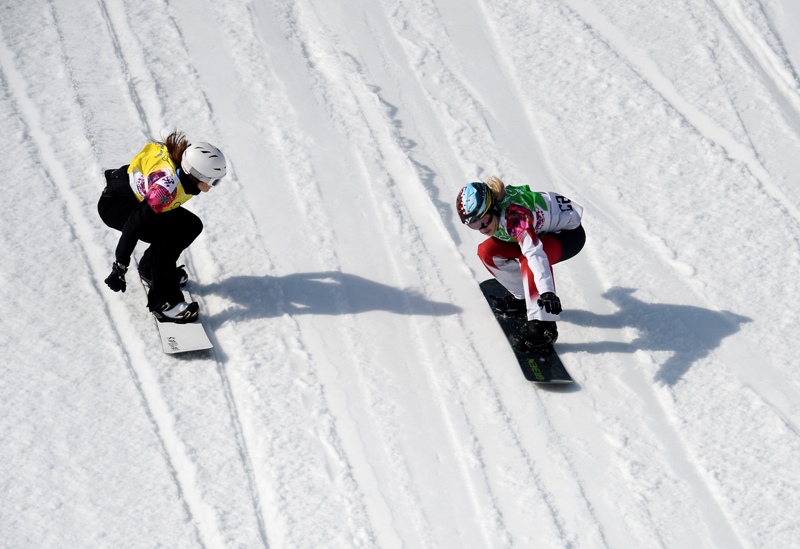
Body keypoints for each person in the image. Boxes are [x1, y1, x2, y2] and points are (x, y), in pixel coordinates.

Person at [98, 130, 227, 323]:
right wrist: (120, 265)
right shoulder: (166, 189)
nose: (214, 185)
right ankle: (165, 303)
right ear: (197, 176)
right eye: (213, 180)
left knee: (190, 225)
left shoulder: (183, 168)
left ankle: (151, 271)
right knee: (170, 237)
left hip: (132, 198)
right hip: (117, 206)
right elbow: (133, 225)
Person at [456, 177, 585, 350]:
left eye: (484, 220)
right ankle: (524, 298)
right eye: (474, 225)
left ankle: (545, 326)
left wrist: (547, 292)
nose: (483, 228)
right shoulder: (498, 216)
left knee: (528, 259)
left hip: (568, 235)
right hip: (540, 230)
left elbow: (534, 254)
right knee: (487, 252)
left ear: (494, 207)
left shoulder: (515, 218)